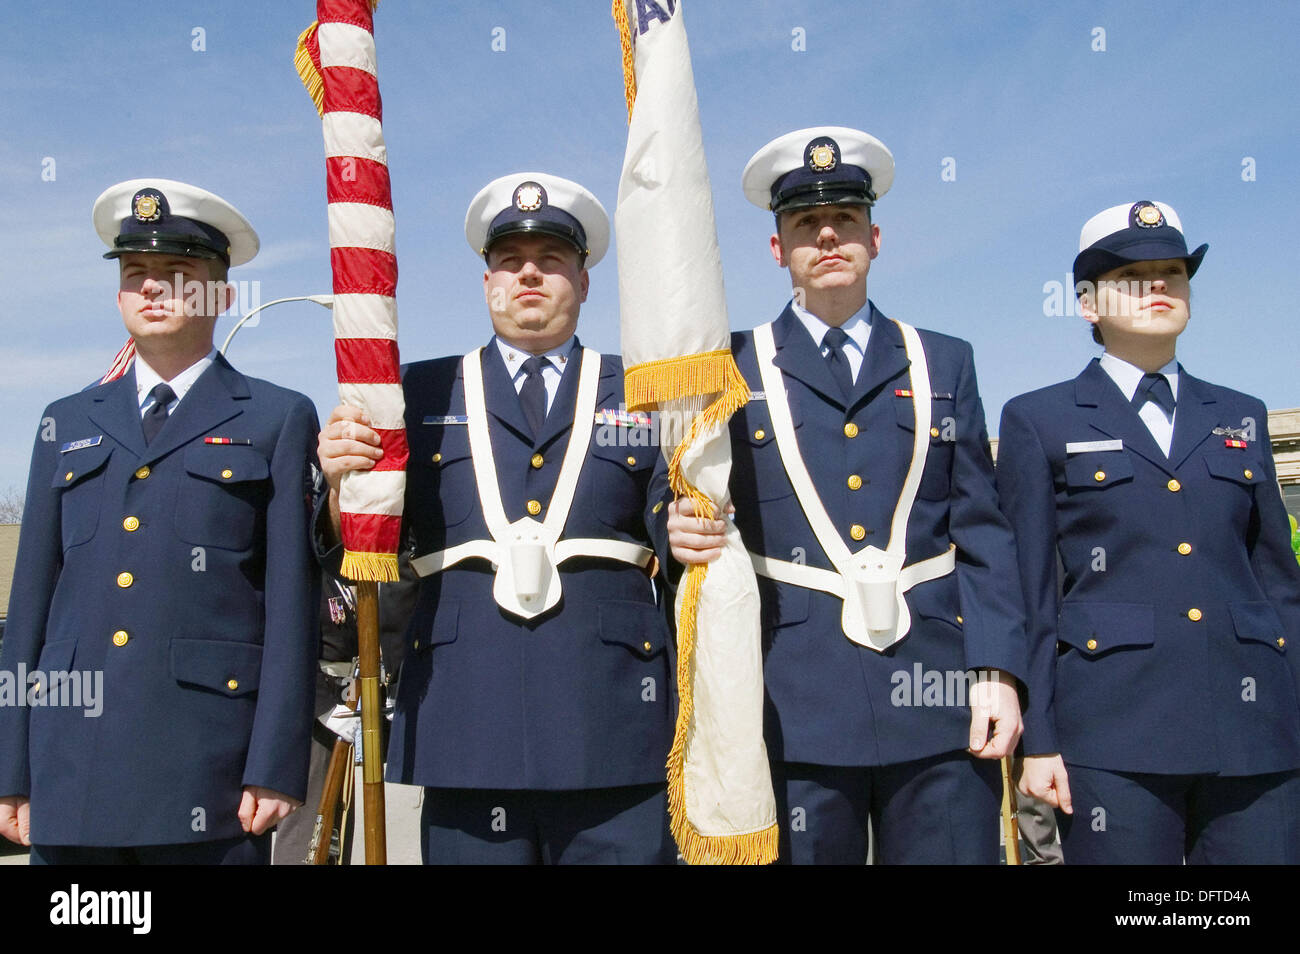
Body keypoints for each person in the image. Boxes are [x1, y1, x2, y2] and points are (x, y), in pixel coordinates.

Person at [668, 127, 1026, 864]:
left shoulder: (942, 360)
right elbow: (672, 487)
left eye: (846, 221)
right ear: (777, 249)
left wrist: (998, 672)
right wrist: (670, 521)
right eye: (804, 223)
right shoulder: (726, 365)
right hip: (792, 702)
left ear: (875, 237)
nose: (827, 234)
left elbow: (983, 530)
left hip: (936, 696)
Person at [317, 172, 676, 864]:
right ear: (487, 284)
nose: (530, 276)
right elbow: (371, 545)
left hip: (612, 724)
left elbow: (671, 531)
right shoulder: (414, 391)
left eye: (551, 261)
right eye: (510, 262)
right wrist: (341, 486)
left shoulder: (644, 389)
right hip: (465, 724)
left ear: (584, 280)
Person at [0, 179, 320, 864]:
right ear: (118, 296)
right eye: (135, 274)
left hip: (208, 769)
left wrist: (274, 763)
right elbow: (30, 606)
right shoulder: (68, 421)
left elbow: (292, 607)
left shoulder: (274, 417)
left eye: (178, 274)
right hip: (72, 773)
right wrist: (11, 773)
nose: (152, 288)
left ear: (222, 296)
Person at [996, 200, 1300, 864]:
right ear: (1087, 303)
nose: (1159, 285)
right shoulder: (1039, 419)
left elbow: (1279, 581)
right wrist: (1040, 739)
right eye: (1133, 275)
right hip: (1112, 737)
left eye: (1172, 271)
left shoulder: (1239, 413)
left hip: (1256, 731)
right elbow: (1033, 594)